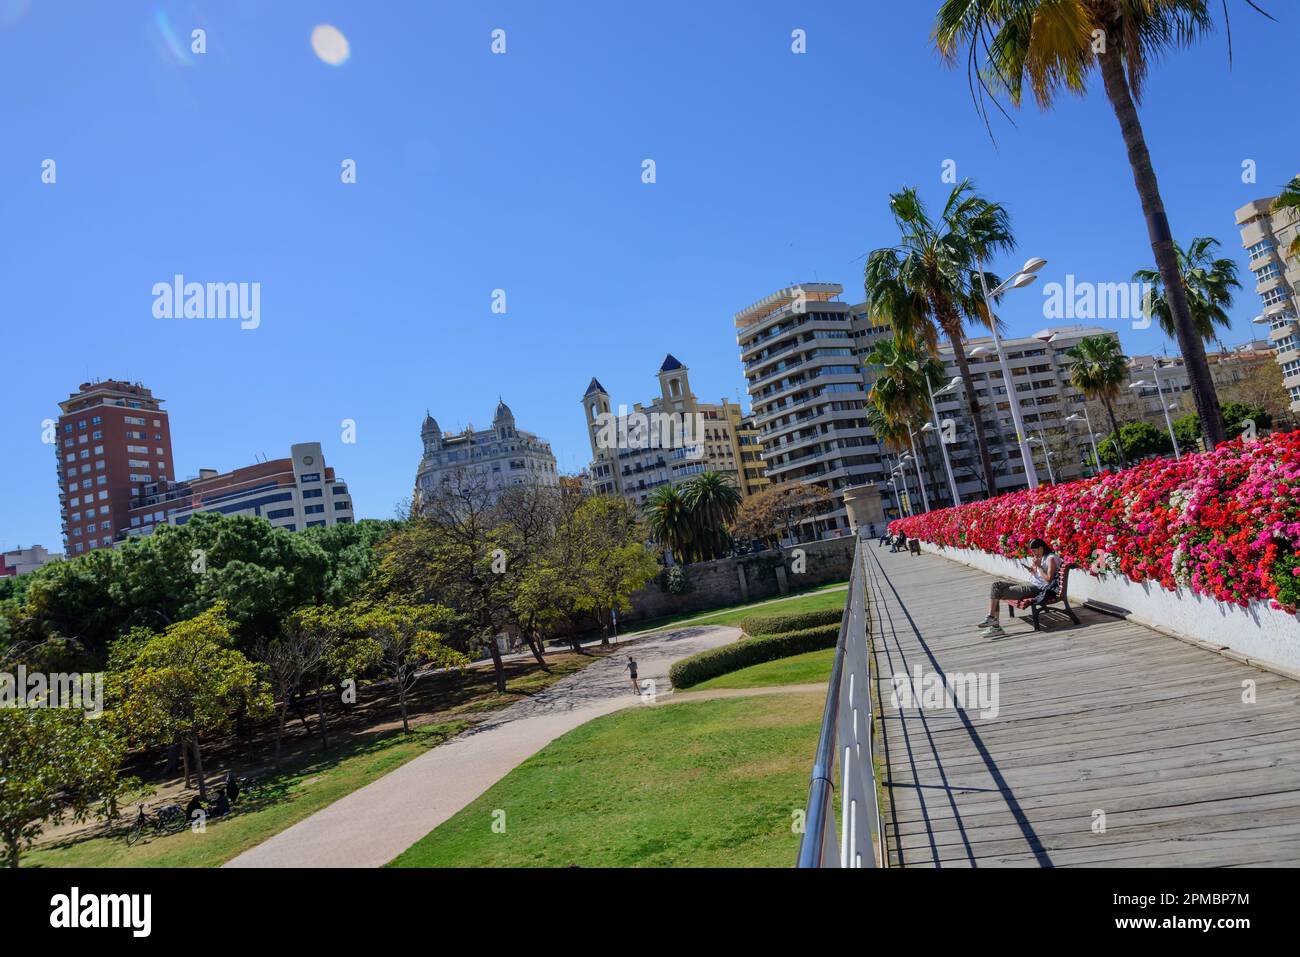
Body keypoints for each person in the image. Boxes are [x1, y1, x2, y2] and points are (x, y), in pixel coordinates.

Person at [979, 538, 1060, 638]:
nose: (1033, 553)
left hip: (1037, 588)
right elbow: (1039, 575)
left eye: (1034, 551)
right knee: (996, 585)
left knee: (997, 592)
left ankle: (995, 625)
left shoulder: (1051, 558)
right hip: (1030, 584)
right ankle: (992, 620)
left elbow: (1048, 579)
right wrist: (1033, 570)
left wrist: (1039, 567)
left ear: (1041, 548)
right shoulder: (1042, 557)